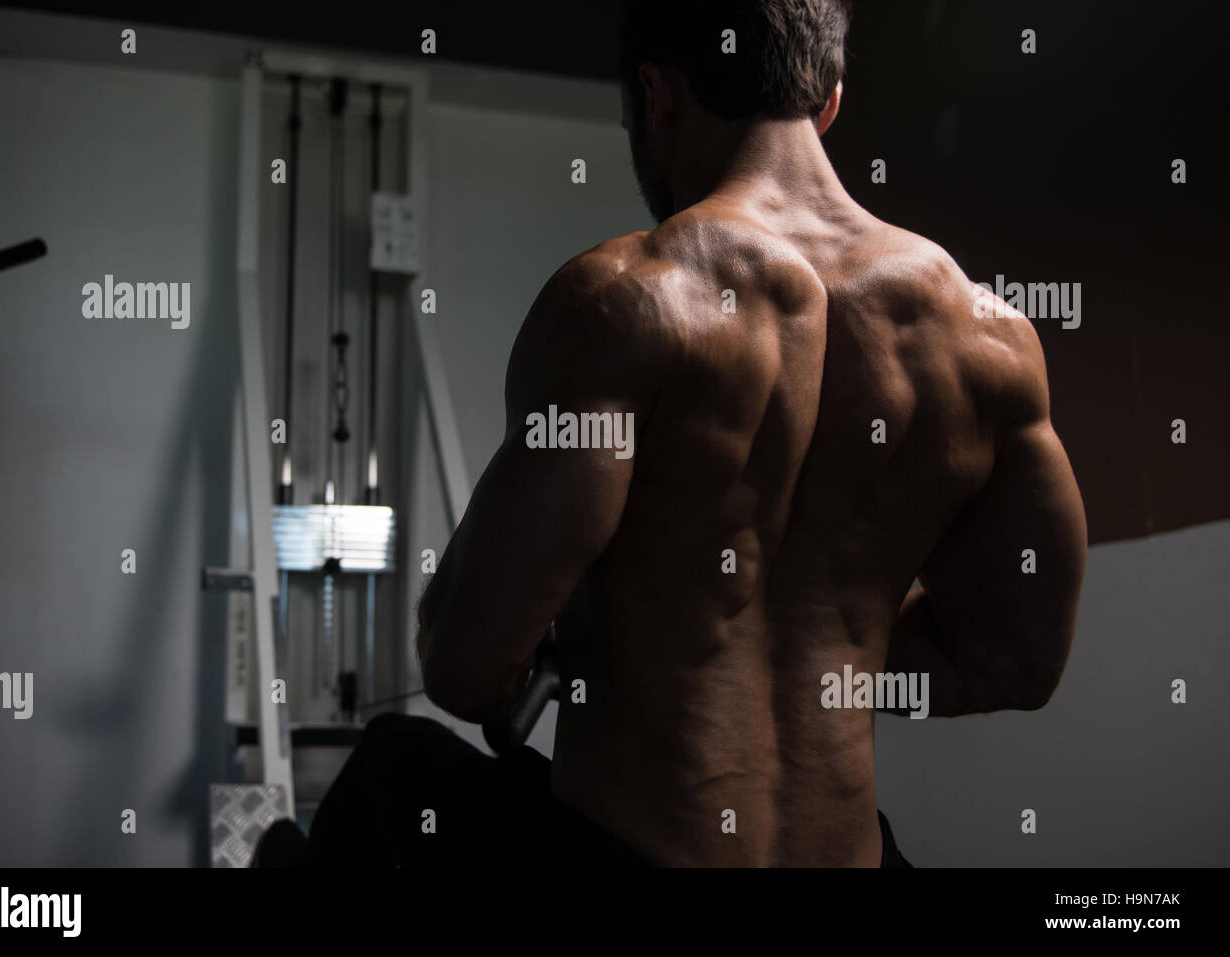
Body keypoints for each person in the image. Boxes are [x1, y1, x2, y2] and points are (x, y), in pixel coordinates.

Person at [298, 0, 1088, 868]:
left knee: (390, 766)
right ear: (828, 100)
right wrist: (834, 622)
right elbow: (1016, 662)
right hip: (857, 857)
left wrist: (638, 612)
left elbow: (465, 666)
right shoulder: (992, 340)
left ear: (656, 95)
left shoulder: (626, 302)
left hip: (630, 852)